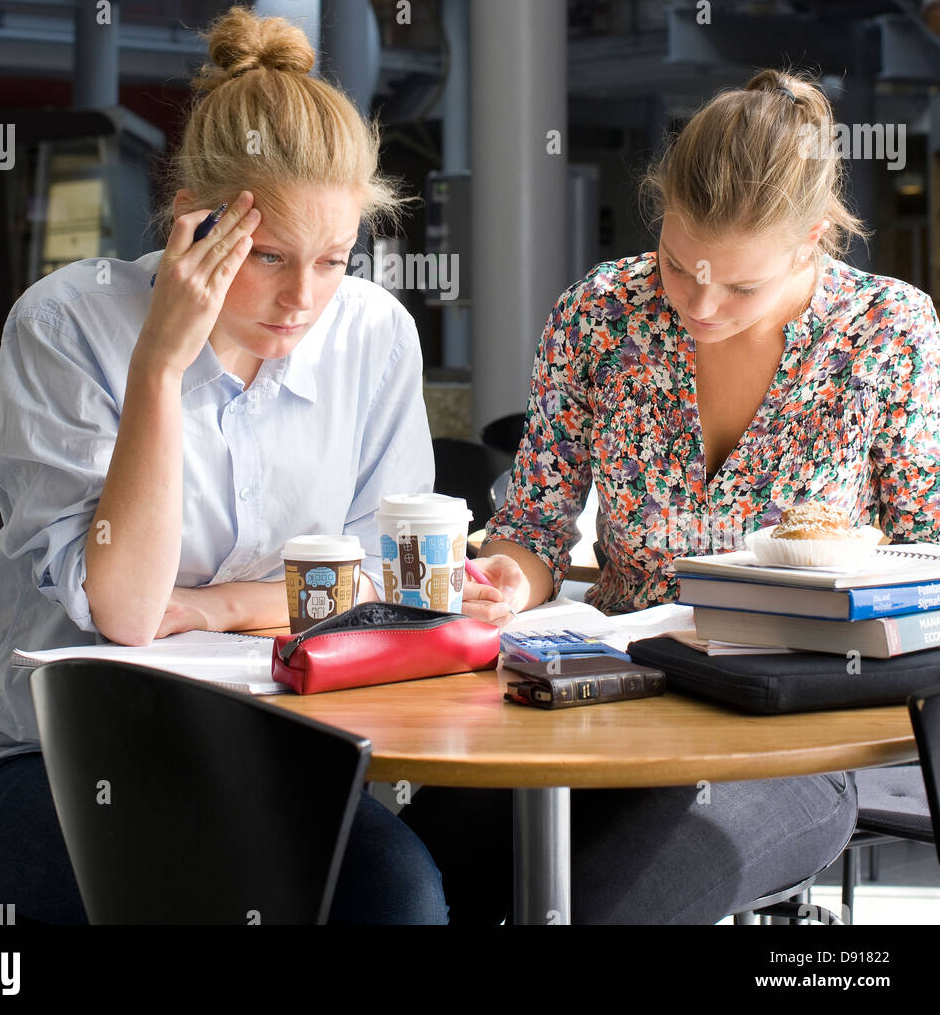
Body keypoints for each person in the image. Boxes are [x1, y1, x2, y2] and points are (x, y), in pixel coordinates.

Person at [0, 5, 448, 925]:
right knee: (237, 898)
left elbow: (376, 585)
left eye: (333, 258)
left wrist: (207, 609)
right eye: (270, 257)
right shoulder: (68, 324)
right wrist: (161, 366)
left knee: (401, 899)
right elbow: (124, 609)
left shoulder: (373, 331)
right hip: (40, 762)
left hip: (277, 747)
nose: (303, 300)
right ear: (193, 224)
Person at [399, 68, 940, 924]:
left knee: (611, 908)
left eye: (738, 286)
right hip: (599, 696)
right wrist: (511, 577)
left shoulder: (886, 331)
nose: (697, 304)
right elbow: (535, 521)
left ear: (811, 240)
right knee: (416, 884)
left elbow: (924, 557)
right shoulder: (599, 315)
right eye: (679, 268)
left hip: (788, 736)